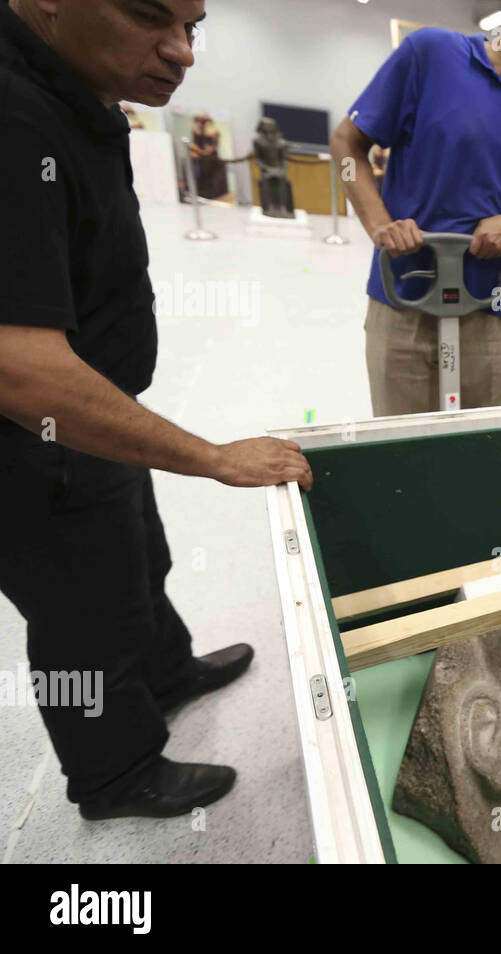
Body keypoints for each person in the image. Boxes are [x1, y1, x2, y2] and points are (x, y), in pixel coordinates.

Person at [0, 0, 313, 820]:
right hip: (35, 435)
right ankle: (114, 774)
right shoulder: (14, 117)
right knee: (83, 613)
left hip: (97, 411)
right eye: (149, 16)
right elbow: (22, 370)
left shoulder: (79, 94)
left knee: (137, 558)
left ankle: (167, 671)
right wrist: (213, 457)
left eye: (193, 25)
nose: (182, 51)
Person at [332, 0, 501, 414]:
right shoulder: (430, 54)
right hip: (404, 299)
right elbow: (346, 146)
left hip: (489, 313)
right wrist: (379, 225)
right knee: (399, 450)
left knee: (470, 454)